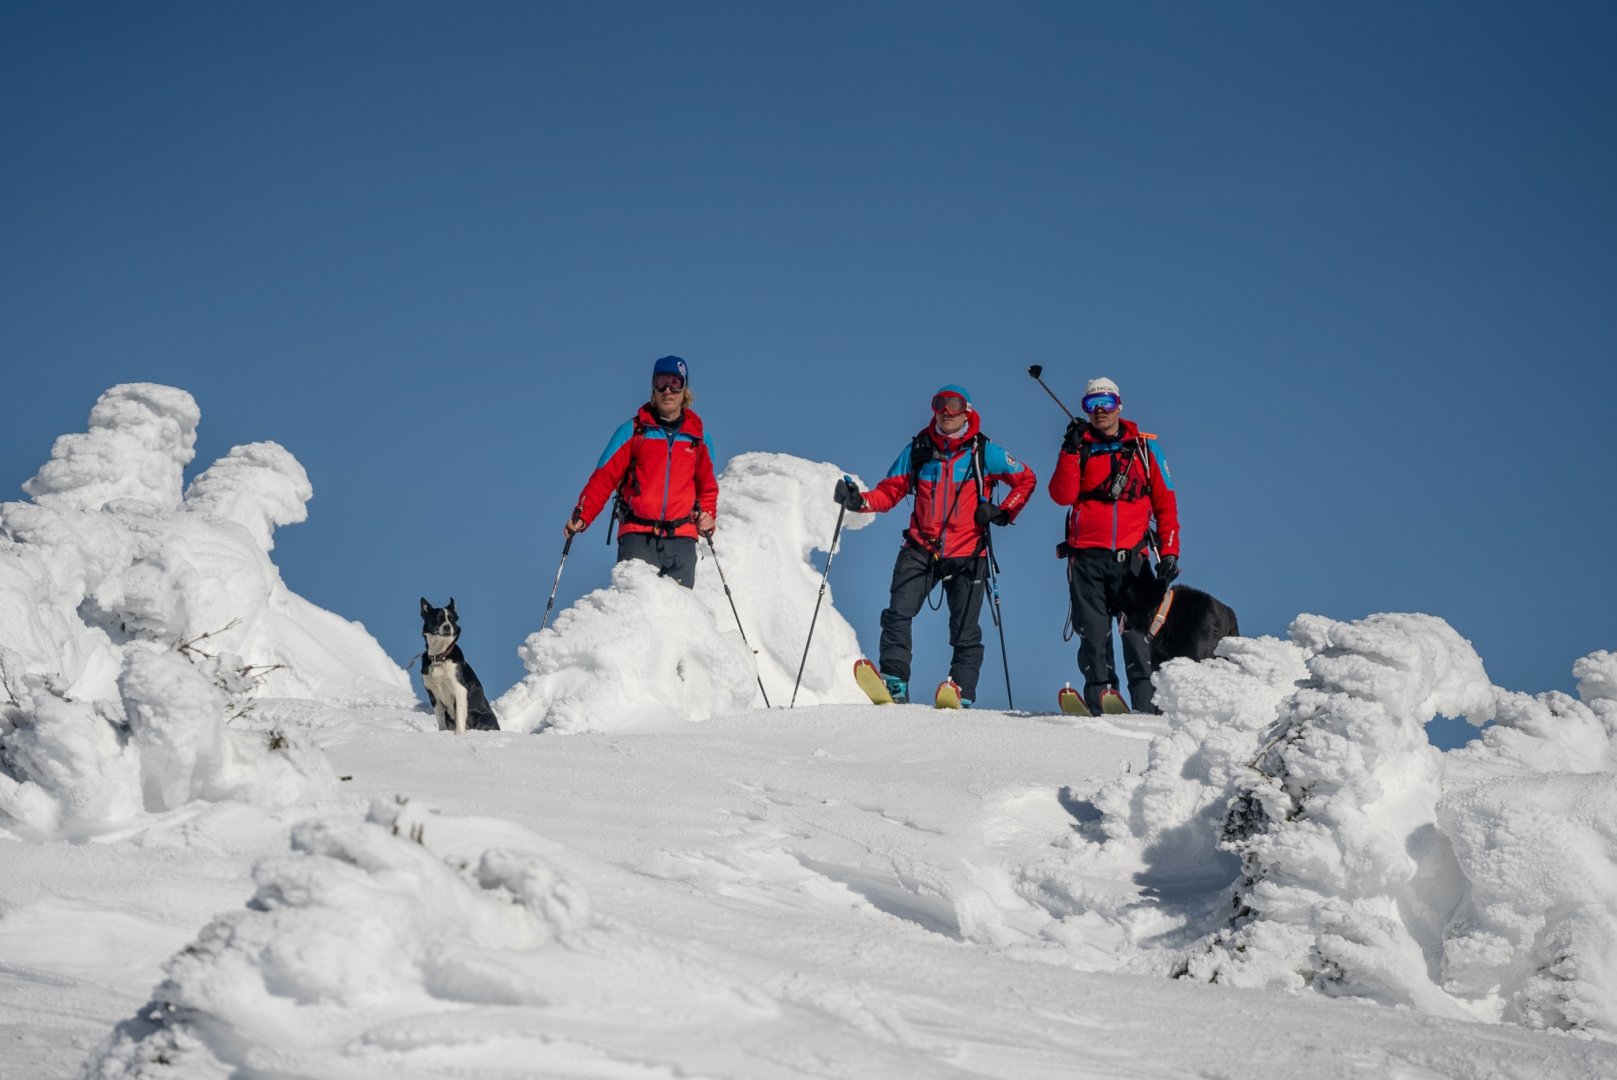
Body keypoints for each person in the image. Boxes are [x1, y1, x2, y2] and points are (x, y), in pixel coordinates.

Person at [835, 384, 1036, 705]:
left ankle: (961, 692)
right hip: (920, 547)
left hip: (969, 552)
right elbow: (890, 491)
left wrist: (1002, 511)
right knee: (897, 613)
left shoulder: (985, 452)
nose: (946, 411)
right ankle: (894, 682)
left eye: (954, 405)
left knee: (965, 631)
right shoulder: (918, 450)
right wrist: (859, 502)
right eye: (940, 404)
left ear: (966, 411)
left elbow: (1026, 479)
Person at [1047, 376, 1179, 714]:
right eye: (1092, 405)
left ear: (1119, 405)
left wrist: (1169, 552)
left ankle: (1148, 705)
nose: (1100, 411)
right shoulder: (1080, 448)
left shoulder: (1145, 449)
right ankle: (1102, 697)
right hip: (1085, 558)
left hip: (1132, 560)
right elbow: (1060, 495)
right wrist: (1069, 450)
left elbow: (1165, 504)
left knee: (1137, 635)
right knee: (1092, 633)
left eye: (1106, 403)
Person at [565, 355, 718, 588]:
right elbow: (604, 477)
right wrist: (583, 515)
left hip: (682, 542)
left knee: (678, 615)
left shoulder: (698, 438)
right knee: (635, 615)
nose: (668, 390)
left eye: (675, 383)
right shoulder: (634, 431)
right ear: (653, 388)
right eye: (661, 382)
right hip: (637, 536)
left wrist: (707, 514)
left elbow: (707, 488)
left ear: (684, 388)